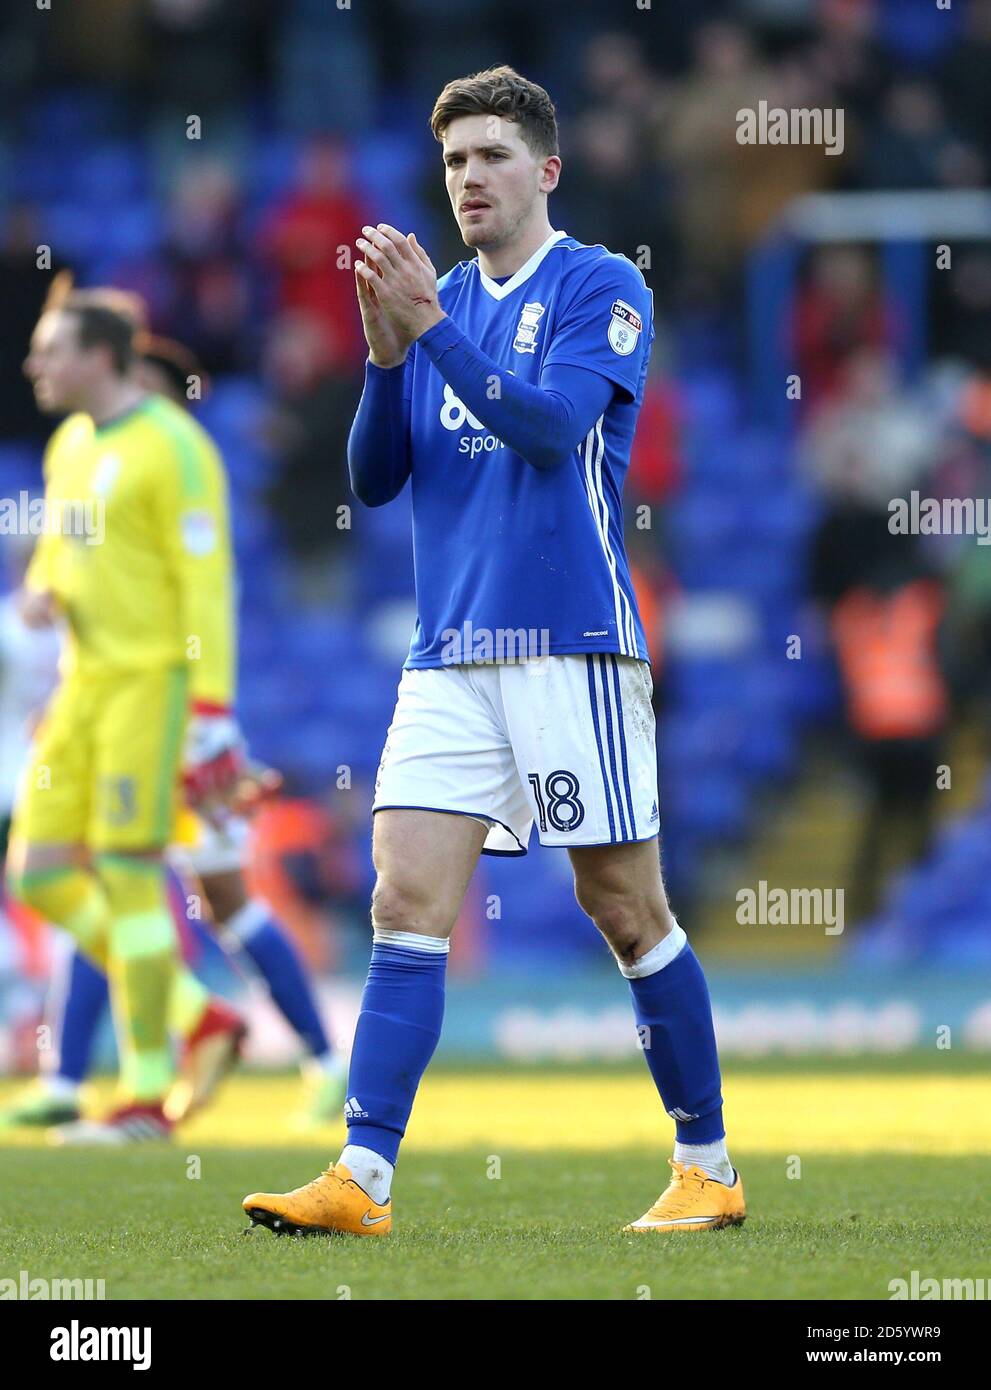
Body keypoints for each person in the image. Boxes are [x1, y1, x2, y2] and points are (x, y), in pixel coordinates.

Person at [243, 65, 744, 1236]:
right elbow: (373, 480)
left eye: (492, 157)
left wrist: (428, 334)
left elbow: (549, 426)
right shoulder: (439, 303)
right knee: (400, 898)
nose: (468, 177)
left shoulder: (599, 285)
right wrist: (383, 359)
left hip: (568, 643)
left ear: (545, 170)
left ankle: (706, 1160)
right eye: (455, 160)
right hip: (448, 649)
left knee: (621, 904)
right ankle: (361, 1178)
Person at [6, 283, 243, 1142]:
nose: (34, 364)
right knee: (38, 873)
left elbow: (205, 585)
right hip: (82, 687)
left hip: (152, 684)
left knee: (131, 877)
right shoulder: (70, 444)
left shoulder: (175, 448)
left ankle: (146, 1095)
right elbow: (64, 551)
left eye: (51, 349)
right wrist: (41, 591)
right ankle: (196, 1013)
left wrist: (209, 708)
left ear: (100, 358)